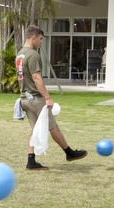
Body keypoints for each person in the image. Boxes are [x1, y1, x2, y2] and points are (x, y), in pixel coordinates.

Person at [15, 25, 87, 170]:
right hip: (36, 99)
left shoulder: (20, 54)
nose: (41, 42)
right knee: (54, 127)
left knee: (35, 130)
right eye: (40, 39)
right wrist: (47, 97)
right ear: (33, 37)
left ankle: (31, 161)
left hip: (25, 99)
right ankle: (69, 152)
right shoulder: (33, 54)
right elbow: (36, 78)